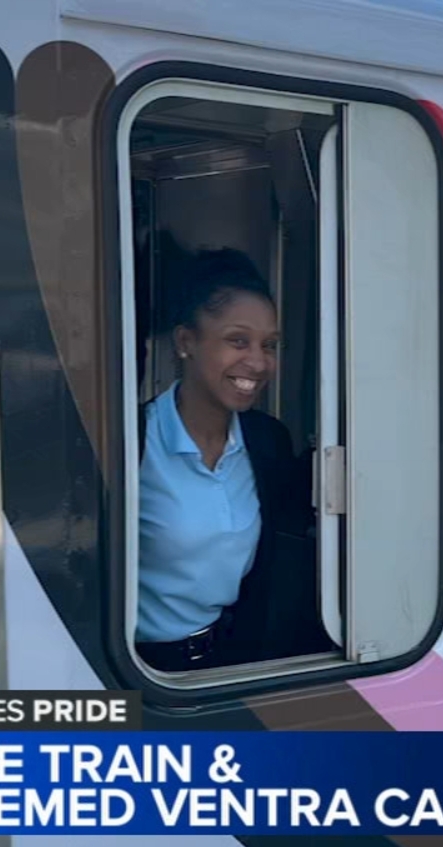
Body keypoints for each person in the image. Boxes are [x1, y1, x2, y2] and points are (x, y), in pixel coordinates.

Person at [135, 246, 327, 672]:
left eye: (270, 345)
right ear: (186, 341)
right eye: (237, 341)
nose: (258, 362)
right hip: (141, 671)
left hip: (234, 663)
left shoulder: (267, 441)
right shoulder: (133, 444)